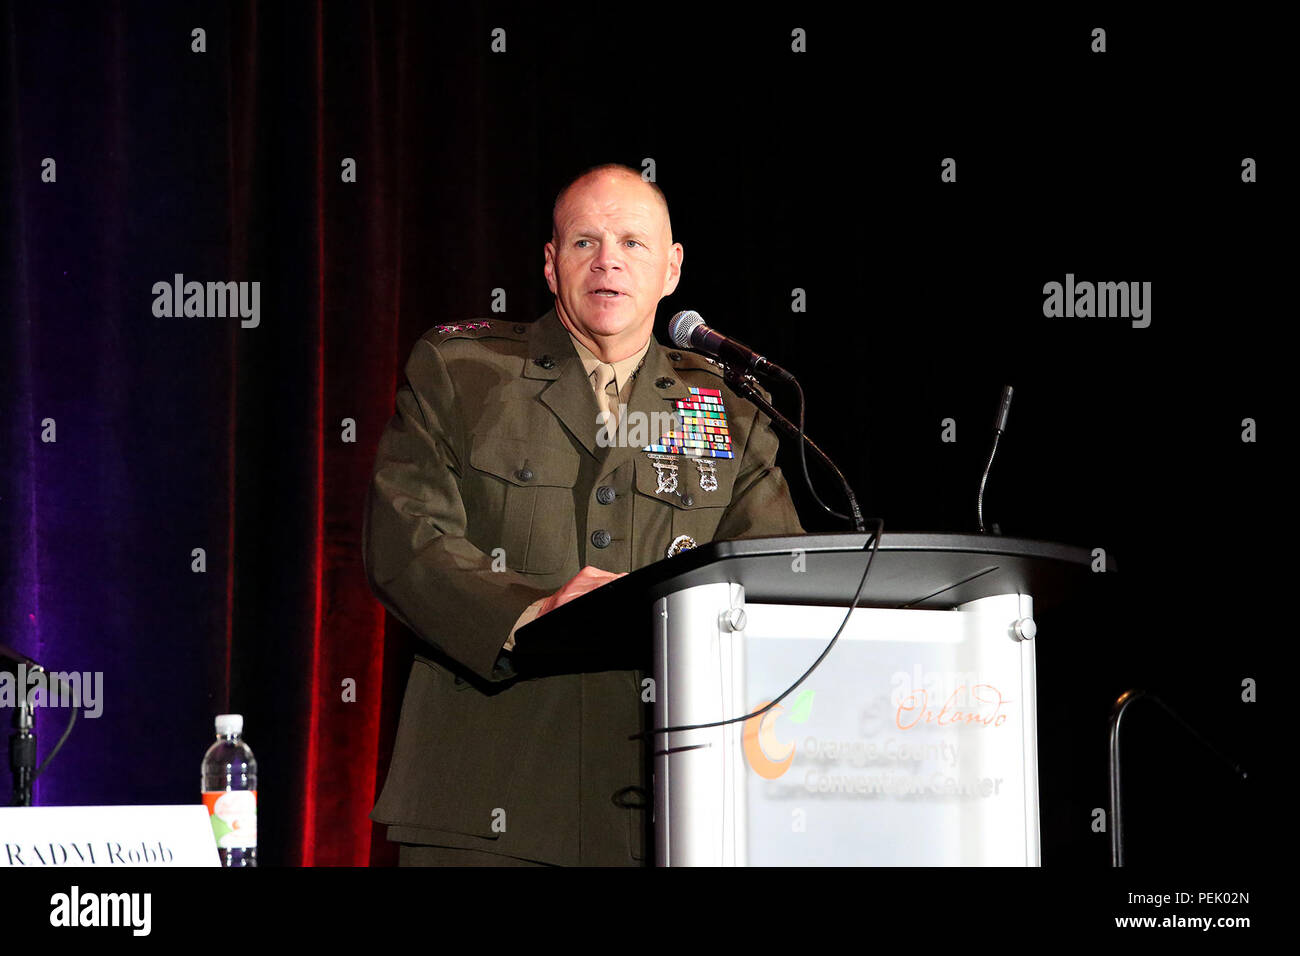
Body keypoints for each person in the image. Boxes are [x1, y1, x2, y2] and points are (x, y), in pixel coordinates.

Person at [364, 163, 804, 866]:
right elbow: (407, 540)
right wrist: (532, 613)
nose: (608, 262)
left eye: (633, 243)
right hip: (485, 798)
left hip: (674, 809)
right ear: (550, 263)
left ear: (671, 268)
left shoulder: (729, 408)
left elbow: (777, 576)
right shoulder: (463, 370)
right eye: (584, 242)